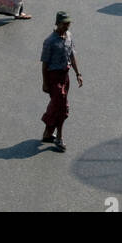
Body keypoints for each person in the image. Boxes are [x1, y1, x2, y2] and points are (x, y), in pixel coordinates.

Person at [40, 13, 82, 152]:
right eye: (64, 23)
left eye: (68, 23)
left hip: (65, 76)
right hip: (54, 77)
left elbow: (72, 55)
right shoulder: (49, 41)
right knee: (62, 107)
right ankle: (59, 137)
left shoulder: (69, 36)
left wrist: (78, 74)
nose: (67, 26)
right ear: (57, 23)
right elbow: (45, 64)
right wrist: (45, 83)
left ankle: (47, 133)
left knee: (56, 105)